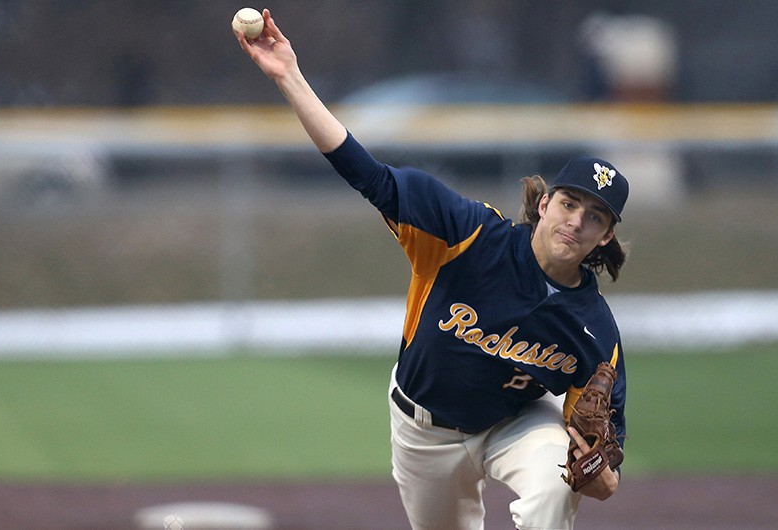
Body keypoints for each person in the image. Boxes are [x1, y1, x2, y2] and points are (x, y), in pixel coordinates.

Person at [235, 10, 628, 530]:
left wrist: (597, 472)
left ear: (605, 236)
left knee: (555, 489)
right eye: (569, 204)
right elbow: (364, 172)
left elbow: (604, 479)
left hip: (516, 424)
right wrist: (289, 75)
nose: (576, 221)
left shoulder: (595, 331)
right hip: (424, 431)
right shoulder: (468, 236)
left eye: (595, 216)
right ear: (545, 203)